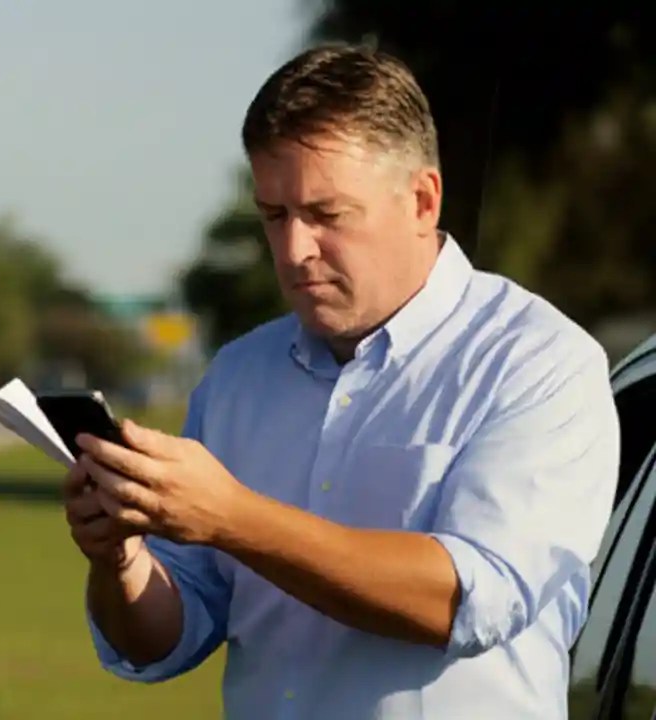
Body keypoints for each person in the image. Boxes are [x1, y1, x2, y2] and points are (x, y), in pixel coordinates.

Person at [65, 43, 621, 719]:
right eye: (274, 216)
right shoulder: (239, 375)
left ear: (421, 200)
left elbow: (466, 600)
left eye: (326, 215)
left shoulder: (538, 362)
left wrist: (230, 516)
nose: (295, 250)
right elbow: (161, 643)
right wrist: (118, 560)